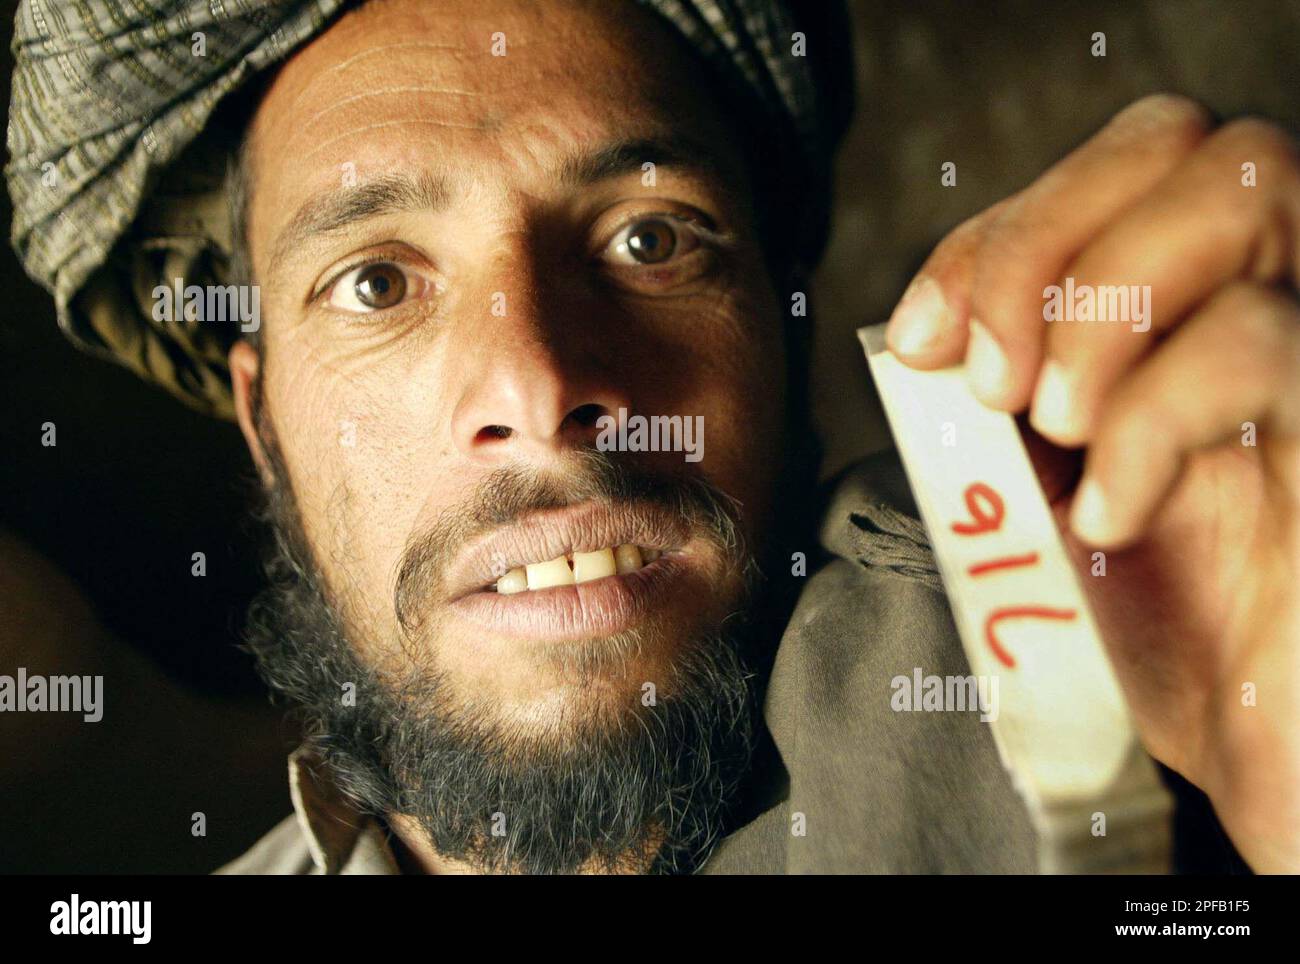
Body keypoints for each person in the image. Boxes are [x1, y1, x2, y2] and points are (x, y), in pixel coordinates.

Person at [7, 0, 1298, 875]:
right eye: (377, 284)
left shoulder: (1133, 648)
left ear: (782, 337)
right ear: (263, 422)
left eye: (650, 240)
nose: (538, 379)